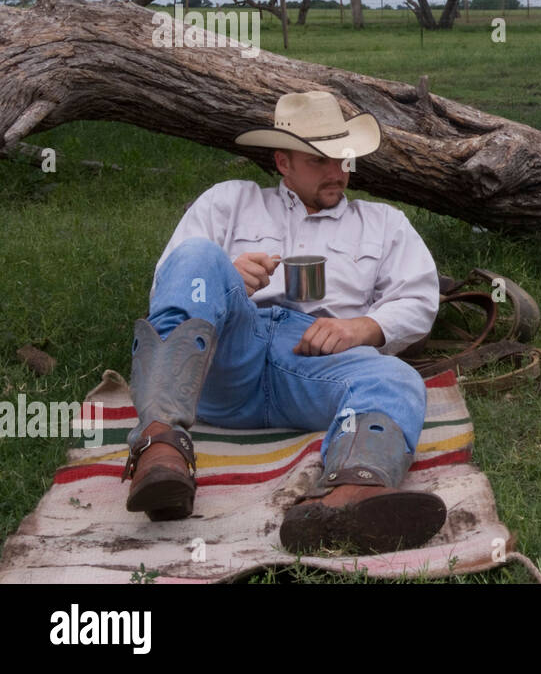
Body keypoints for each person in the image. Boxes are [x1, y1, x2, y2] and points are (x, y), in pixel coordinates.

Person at [121, 90, 445, 554]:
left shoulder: (383, 223)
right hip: (228, 355)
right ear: (283, 162)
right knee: (198, 255)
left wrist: (362, 328)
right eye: (319, 160)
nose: (337, 172)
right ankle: (161, 450)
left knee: (396, 377)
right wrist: (226, 278)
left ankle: (353, 495)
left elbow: (418, 298)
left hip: (317, 366)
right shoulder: (229, 201)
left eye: (343, 159)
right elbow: (170, 285)